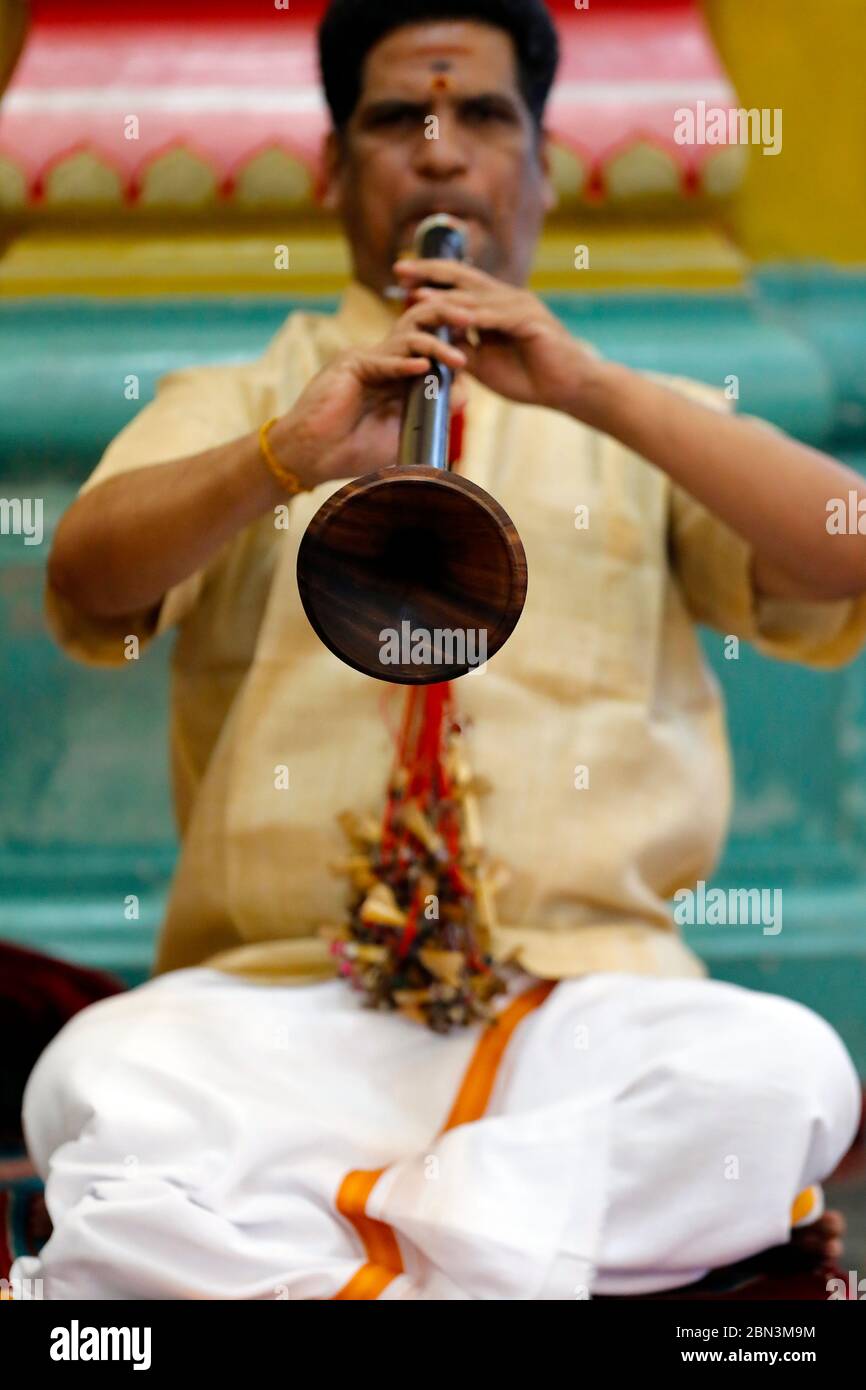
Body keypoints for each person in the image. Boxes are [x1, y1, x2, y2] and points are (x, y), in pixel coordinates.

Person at [12, 0, 865, 1300]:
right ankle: (494, 1253)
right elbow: (86, 575)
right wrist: (278, 459)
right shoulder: (243, 402)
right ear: (333, 170)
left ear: (541, 168)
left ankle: (353, 1256)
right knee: (101, 1081)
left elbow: (845, 547)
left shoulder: (638, 414)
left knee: (781, 1070)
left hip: (581, 1008)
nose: (439, 149)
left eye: (482, 115)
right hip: (286, 1013)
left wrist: (594, 390)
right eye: (394, 117)